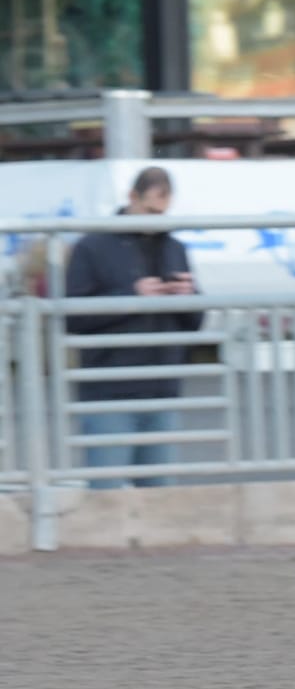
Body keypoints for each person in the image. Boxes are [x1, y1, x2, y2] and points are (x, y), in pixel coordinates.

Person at [64, 167, 203, 488]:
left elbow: (195, 323)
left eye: (162, 213)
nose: (156, 220)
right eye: (150, 210)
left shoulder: (175, 248)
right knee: (107, 493)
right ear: (131, 197)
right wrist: (132, 296)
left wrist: (188, 296)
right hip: (109, 388)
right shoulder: (92, 247)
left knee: (159, 493)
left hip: (162, 387)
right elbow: (73, 316)